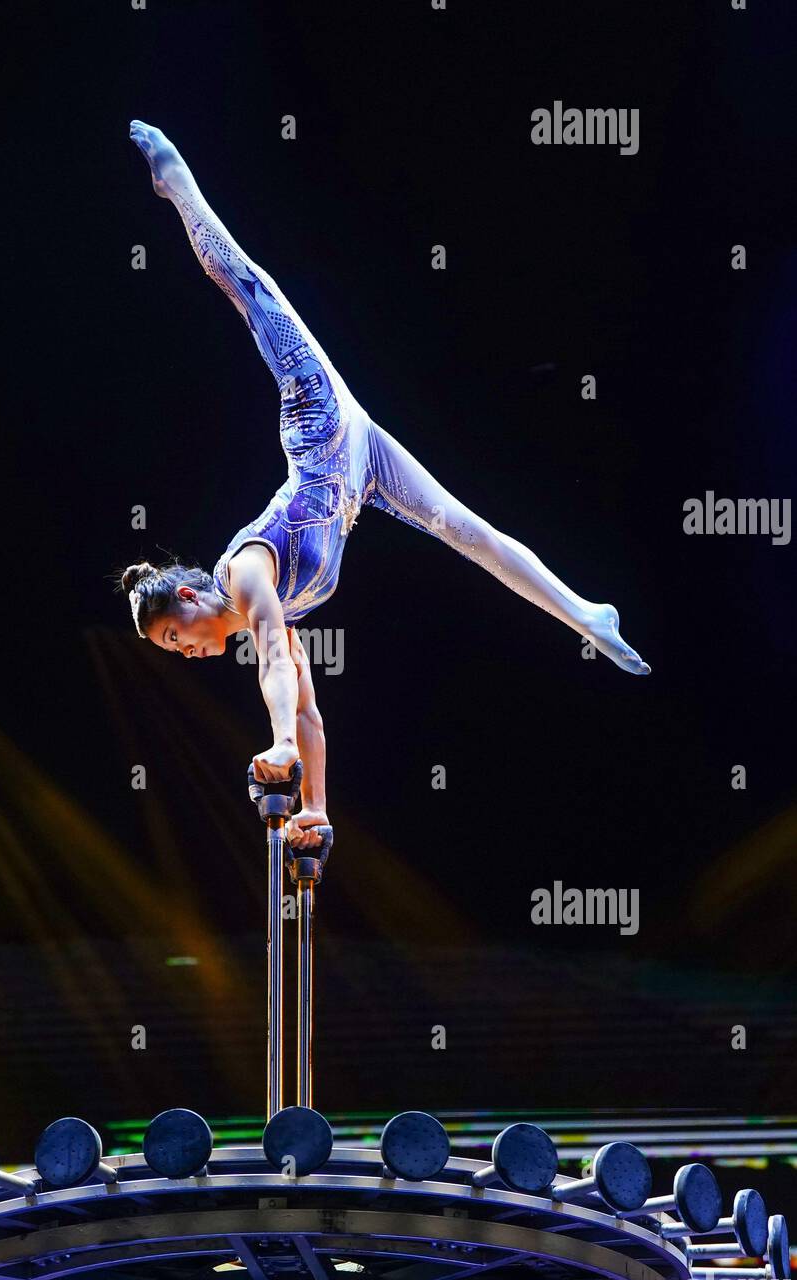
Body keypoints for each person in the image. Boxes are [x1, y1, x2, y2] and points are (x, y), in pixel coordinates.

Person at [118, 121, 650, 848]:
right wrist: (316, 809)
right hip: (362, 468)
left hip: (316, 419)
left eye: (178, 639)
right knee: (468, 533)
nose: (188, 655)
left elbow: (272, 655)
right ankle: (587, 615)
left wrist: (276, 750)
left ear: (189, 598)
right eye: (177, 653)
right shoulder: (270, 609)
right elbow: (307, 713)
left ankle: (177, 185)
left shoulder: (244, 572)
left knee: (250, 290)